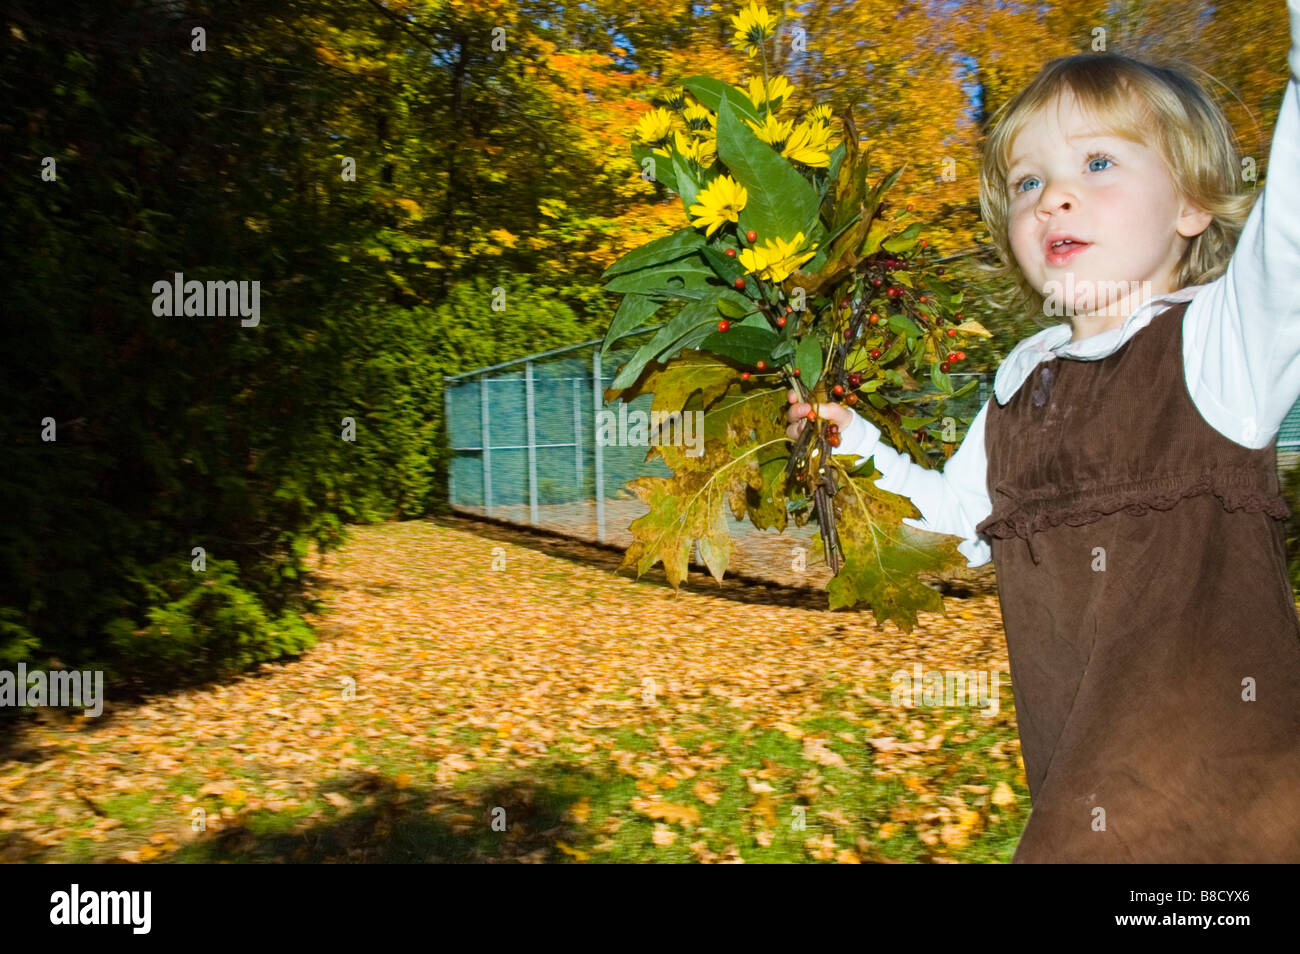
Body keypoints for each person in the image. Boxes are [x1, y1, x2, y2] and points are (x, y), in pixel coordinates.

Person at [787, 0, 1300, 862]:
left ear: (1191, 207)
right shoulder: (1021, 382)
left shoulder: (1220, 346)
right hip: (1082, 783)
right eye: (1028, 183)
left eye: (1099, 162)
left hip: (1223, 803)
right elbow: (959, 524)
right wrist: (859, 450)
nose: (1055, 194)